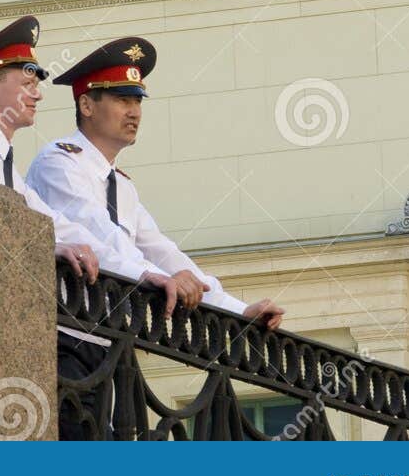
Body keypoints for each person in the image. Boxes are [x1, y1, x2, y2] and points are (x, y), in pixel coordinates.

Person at [27, 36, 286, 436]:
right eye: (121, 99)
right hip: (63, 337)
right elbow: (100, 237)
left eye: (138, 101)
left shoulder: (123, 186)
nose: (134, 112)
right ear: (86, 104)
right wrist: (159, 278)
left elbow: (162, 250)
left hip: (107, 341)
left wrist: (236, 310)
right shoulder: (59, 163)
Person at [0, 15, 184, 299]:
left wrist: (141, 273)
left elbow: (62, 227)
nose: (38, 95)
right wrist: (47, 246)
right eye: (28, 84)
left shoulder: (9, 172)